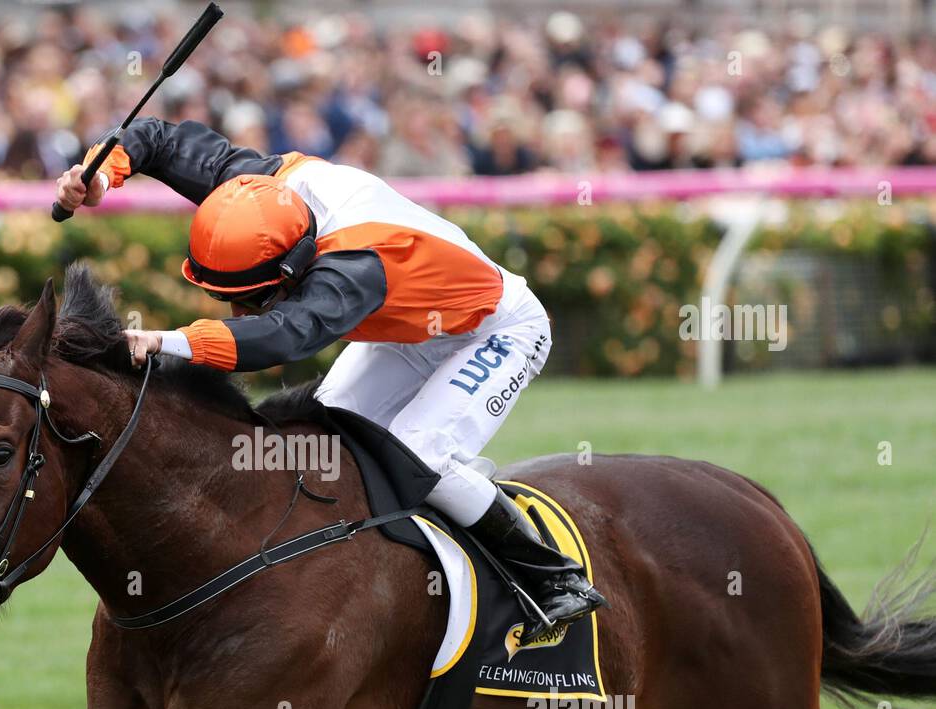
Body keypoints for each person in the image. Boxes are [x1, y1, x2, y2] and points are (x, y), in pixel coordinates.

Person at [55, 118, 605, 638]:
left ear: (294, 263)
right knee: (328, 435)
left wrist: (168, 341)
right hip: (414, 324)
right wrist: (101, 173)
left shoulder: (358, 263)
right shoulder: (261, 188)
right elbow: (159, 138)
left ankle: (551, 578)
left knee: (419, 453)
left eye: (253, 299)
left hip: (495, 329)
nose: (243, 314)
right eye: (229, 301)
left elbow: (285, 334)